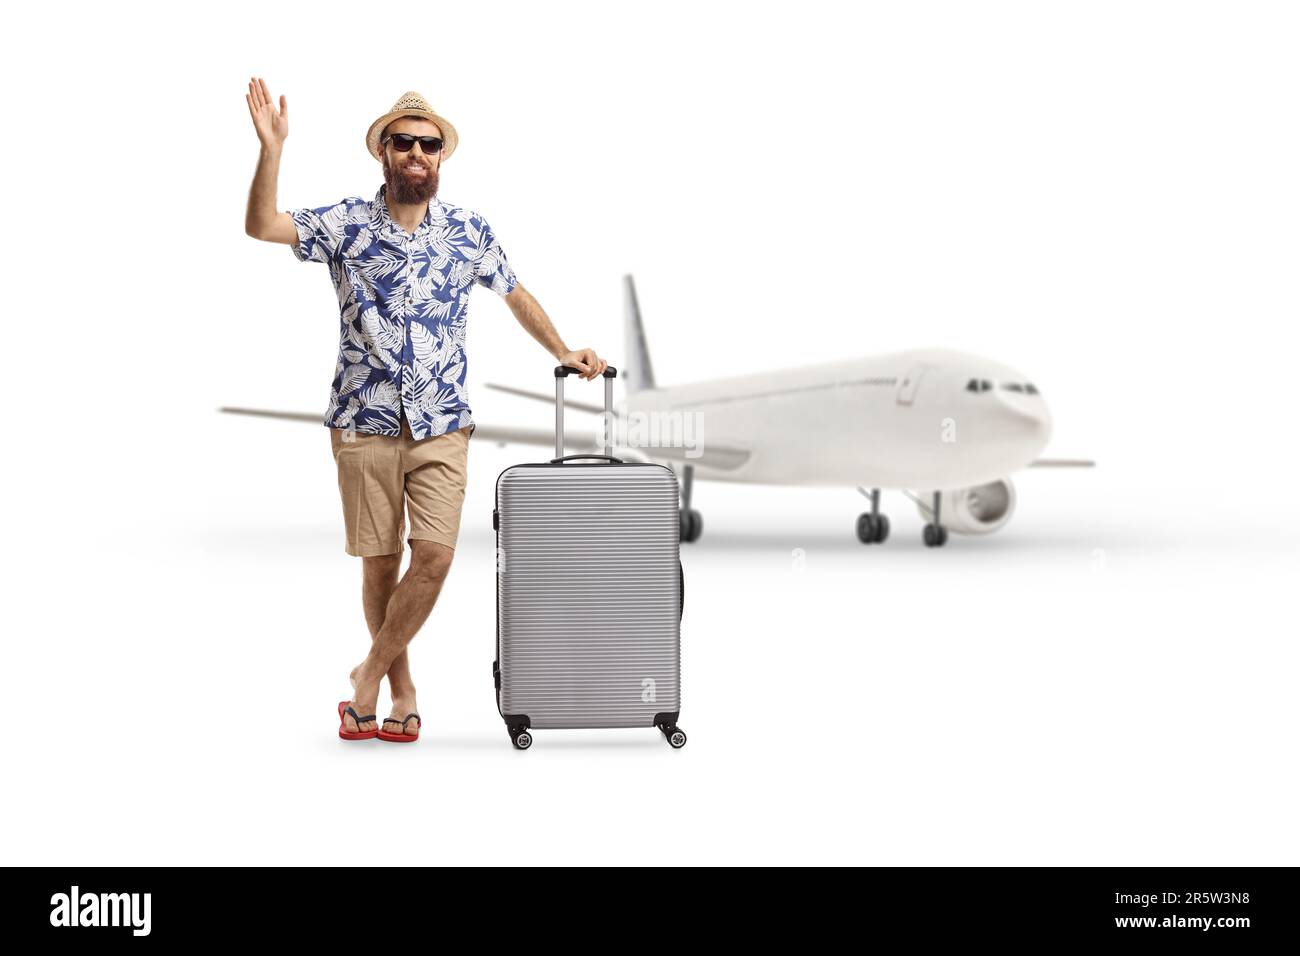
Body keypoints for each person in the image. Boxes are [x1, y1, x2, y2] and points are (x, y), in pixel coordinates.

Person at [242, 79, 607, 742]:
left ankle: (366, 676)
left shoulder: (469, 231)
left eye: (429, 144)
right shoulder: (346, 223)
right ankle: (401, 689)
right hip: (363, 421)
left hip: (443, 424)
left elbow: (514, 293)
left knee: (434, 557)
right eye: (403, 142)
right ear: (383, 151)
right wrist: (272, 150)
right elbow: (262, 225)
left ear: (442, 156)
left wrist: (563, 348)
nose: (417, 152)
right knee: (379, 564)